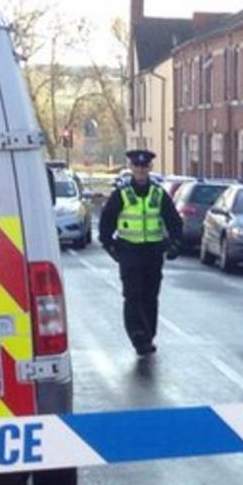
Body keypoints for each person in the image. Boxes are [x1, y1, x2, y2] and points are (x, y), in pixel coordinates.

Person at [98, 150, 183, 356]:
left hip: (153, 253)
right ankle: (138, 336)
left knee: (150, 297)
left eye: (144, 167)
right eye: (137, 167)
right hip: (129, 252)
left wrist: (174, 244)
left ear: (150, 169)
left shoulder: (158, 194)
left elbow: (174, 221)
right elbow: (107, 222)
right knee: (133, 296)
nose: (140, 171)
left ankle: (149, 334)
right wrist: (109, 245)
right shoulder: (122, 194)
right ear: (131, 168)